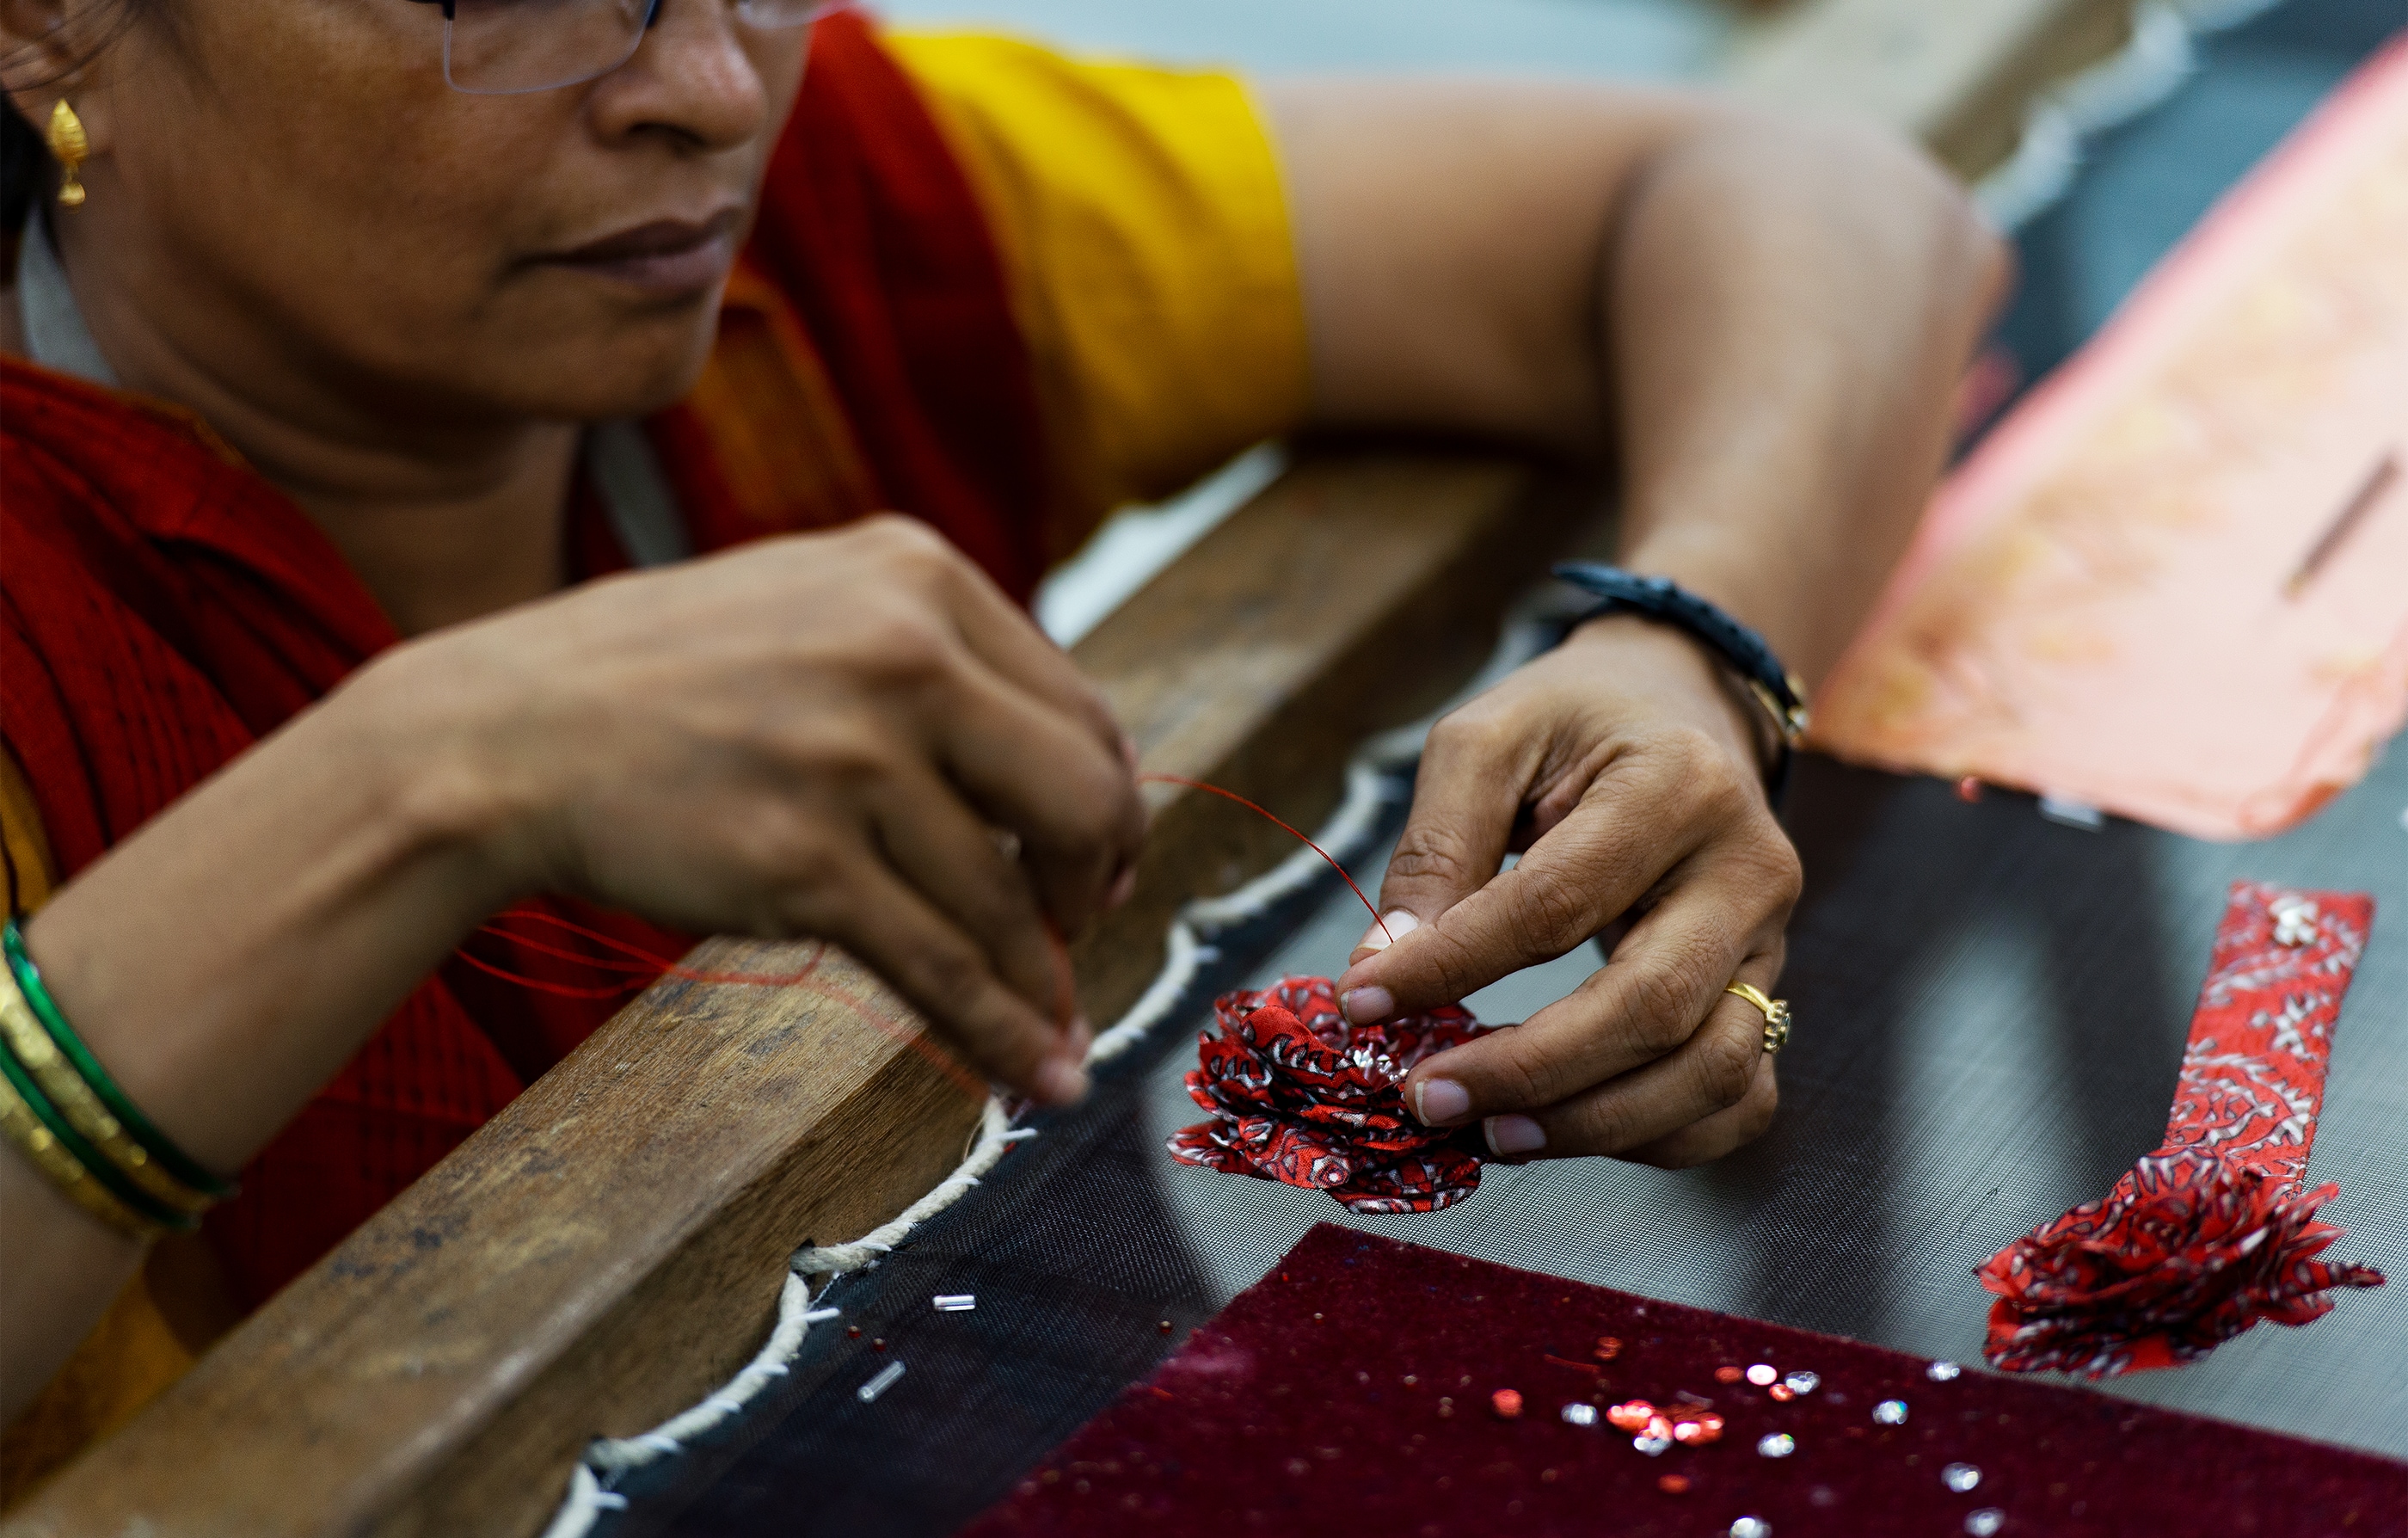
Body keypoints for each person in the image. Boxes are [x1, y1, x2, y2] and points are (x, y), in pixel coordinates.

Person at [0, 0, 2005, 1485]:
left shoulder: (832, 197)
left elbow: (1810, 198)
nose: (700, 89)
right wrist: (418, 770)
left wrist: (1691, 643)